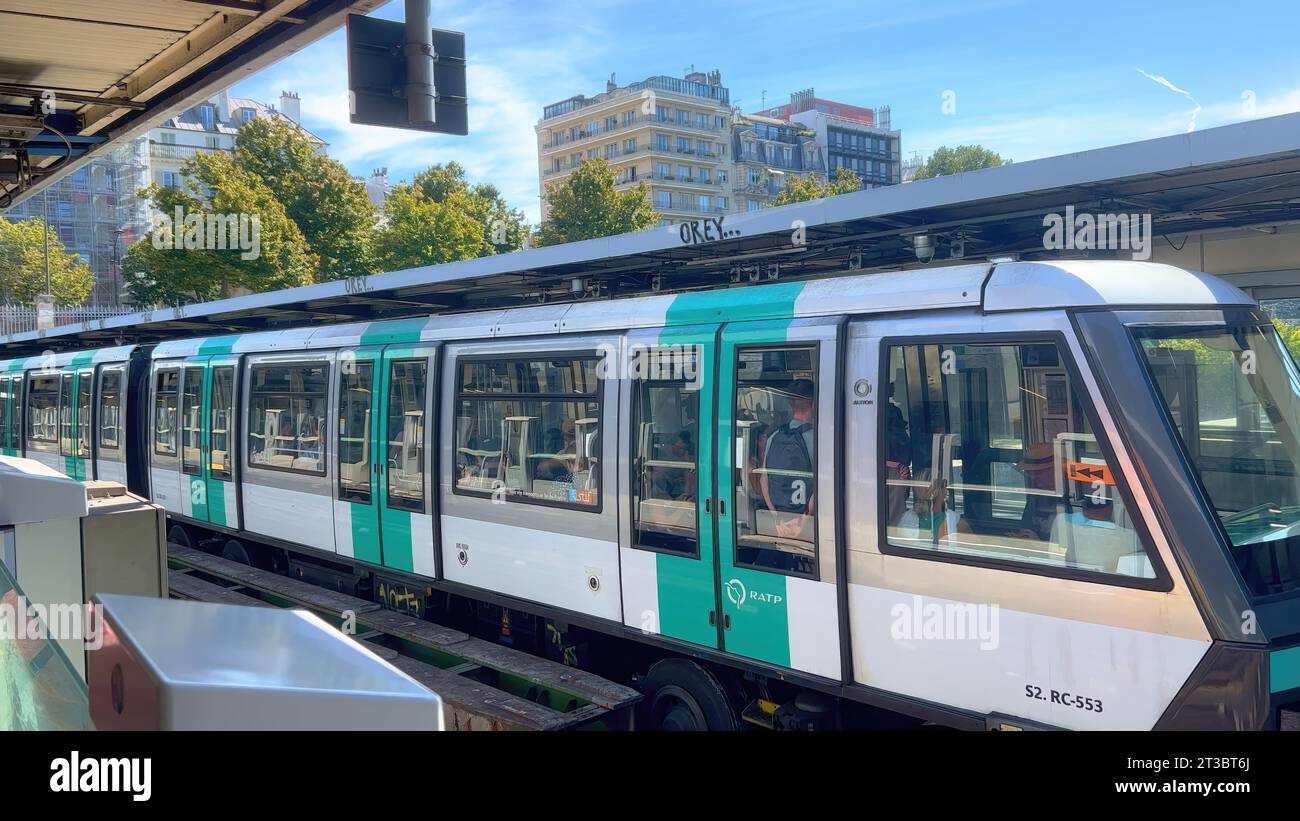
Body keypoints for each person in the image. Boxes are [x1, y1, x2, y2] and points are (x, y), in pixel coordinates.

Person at [761, 378, 816, 541]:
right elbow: (821, 486)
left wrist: (777, 517)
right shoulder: (817, 439)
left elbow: (764, 479)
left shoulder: (774, 436)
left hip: (783, 523)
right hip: (808, 522)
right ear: (814, 404)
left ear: (791, 405)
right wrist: (804, 519)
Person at [1009, 442, 1063, 542]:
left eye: (1038, 472)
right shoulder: (1036, 497)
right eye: (1030, 473)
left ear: (1055, 469)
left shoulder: (1071, 499)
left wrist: (1040, 545)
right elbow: (1026, 530)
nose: (1033, 477)